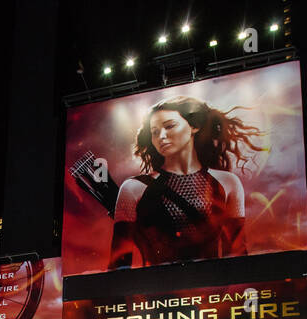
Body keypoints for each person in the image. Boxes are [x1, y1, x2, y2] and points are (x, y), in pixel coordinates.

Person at [108, 95, 263, 269]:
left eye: (169, 126)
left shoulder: (228, 183)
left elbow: (237, 256)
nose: (161, 136)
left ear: (194, 127)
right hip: (156, 292)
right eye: (155, 132)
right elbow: (118, 267)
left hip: (213, 292)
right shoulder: (134, 189)